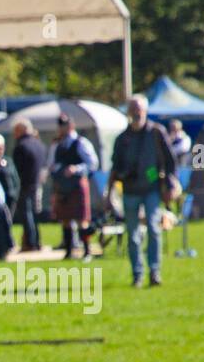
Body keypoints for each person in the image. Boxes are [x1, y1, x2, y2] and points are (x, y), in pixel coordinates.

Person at [110, 94, 177, 288]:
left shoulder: (156, 133)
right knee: (132, 234)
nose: (136, 113)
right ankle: (137, 274)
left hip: (152, 189)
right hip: (130, 190)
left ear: (145, 111)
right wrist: (113, 188)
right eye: (133, 110)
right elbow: (115, 166)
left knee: (154, 230)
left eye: (139, 110)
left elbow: (170, 161)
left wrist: (170, 184)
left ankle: (154, 272)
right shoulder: (122, 139)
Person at [49, 113, 98, 259]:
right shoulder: (57, 145)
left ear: (71, 125)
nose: (61, 128)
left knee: (81, 219)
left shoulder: (81, 142)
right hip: (62, 185)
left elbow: (92, 163)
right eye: (60, 125)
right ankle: (69, 251)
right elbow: (51, 163)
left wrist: (76, 169)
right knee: (65, 219)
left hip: (77, 184)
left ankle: (87, 250)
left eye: (64, 125)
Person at [10, 118, 46, 252]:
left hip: (24, 184)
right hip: (37, 184)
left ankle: (30, 243)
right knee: (34, 215)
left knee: (27, 215)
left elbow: (17, 170)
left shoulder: (21, 146)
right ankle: (36, 241)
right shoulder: (39, 144)